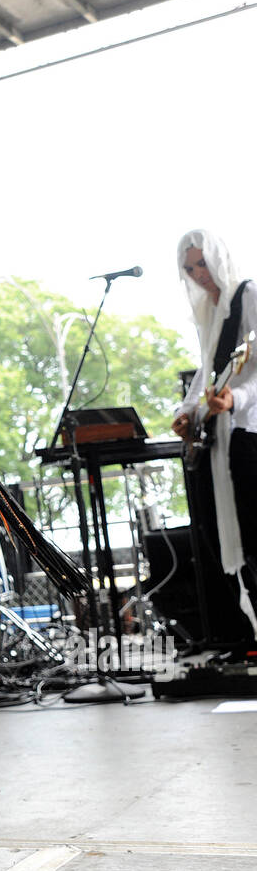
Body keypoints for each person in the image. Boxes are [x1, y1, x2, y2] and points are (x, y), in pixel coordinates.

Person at [172, 231, 257, 648]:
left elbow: (249, 373)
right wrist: (186, 413)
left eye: (201, 263)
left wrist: (236, 397)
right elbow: (206, 376)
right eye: (189, 268)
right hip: (220, 442)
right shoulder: (209, 311)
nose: (197, 274)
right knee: (224, 540)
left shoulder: (250, 295)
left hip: (249, 435)